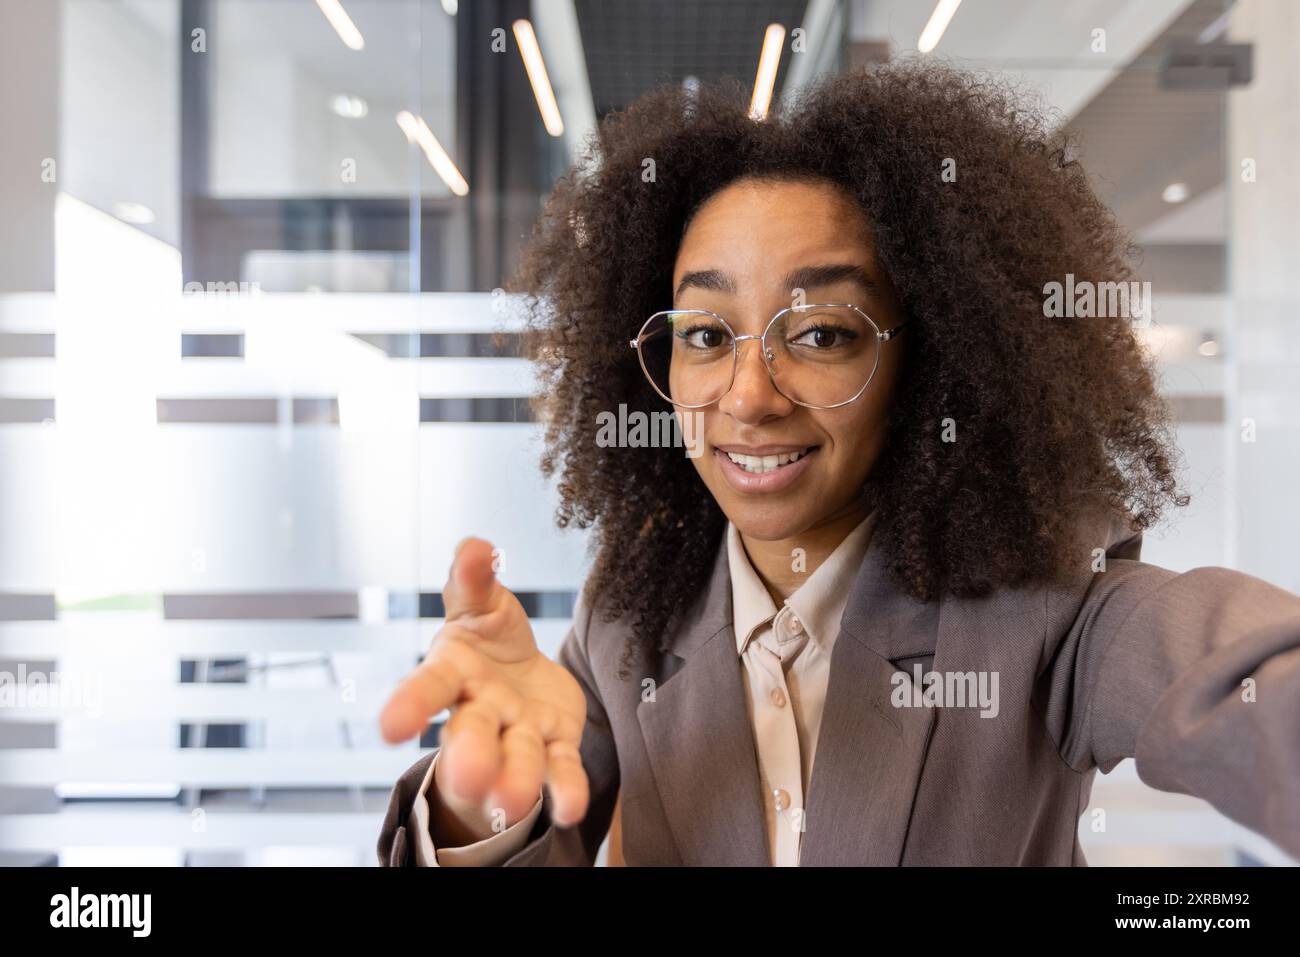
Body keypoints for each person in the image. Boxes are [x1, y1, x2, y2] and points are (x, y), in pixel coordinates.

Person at [376, 62, 1300, 866]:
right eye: (705, 333)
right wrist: (476, 807)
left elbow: (1241, 676)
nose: (748, 395)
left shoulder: (1054, 611)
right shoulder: (627, 626)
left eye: (820, 332)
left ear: (925, 362)